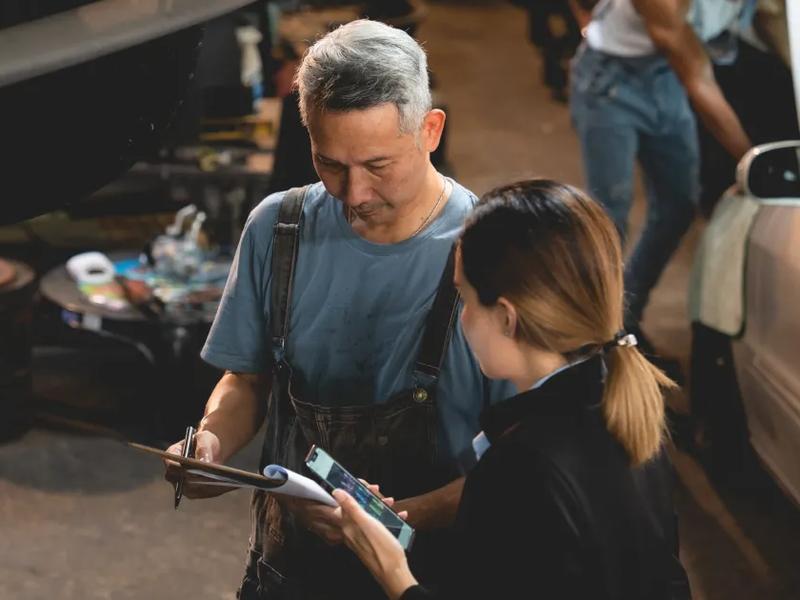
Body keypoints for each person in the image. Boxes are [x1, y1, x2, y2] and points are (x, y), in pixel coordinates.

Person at [163, 19, 513, 600]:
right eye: (330, 164)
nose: (354, 194)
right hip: (289, 570)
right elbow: (247, 379)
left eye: (377, 166)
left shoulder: (494, 253)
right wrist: (212, 444)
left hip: (428, 577)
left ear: (431, 130)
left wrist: (393, 518)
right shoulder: (278, 231)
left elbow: (520, 459)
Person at [334, 179, 691, 600]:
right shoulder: (626, 407)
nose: (463, 318)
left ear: (507, 317)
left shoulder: (522, 465)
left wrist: (393, 572)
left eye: (465, 298)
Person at [568, 0, 752, 346]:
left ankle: (625, 316)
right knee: (608, 219)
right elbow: (698, 80)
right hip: (610, 81)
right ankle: (601, 337)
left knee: (678, 206)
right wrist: (756, 161)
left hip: (667, 74)